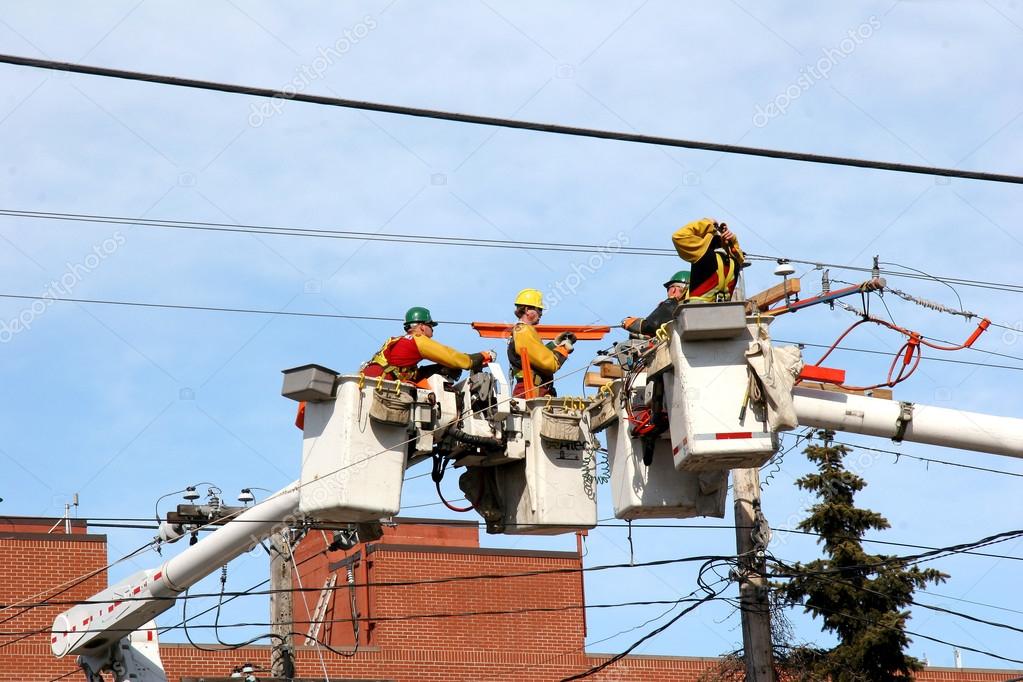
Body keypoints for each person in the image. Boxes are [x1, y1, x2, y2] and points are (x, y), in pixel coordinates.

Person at [362, 306, 493, 383]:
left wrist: (437, 369)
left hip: (370, 383)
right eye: (431, 325)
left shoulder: (400, 341)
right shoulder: (417, 340)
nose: (433, 330)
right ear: (422, 326)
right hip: (379, 387)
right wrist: (482, 356)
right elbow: (456, 359)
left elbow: (409, 374)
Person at [506, 288, 574, 398]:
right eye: (539, 309)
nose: (541, 313)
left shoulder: (524, 331)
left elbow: (536, 356)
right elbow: (550, 364)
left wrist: (555, 344)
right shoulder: (523, 331)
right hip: (531, 390)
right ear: (527, 310)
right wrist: (563, 349)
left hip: (535, 389)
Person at [671, 218, 745, 303]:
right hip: (724, 313)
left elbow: (678, 236)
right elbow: (738, 254)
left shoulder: (703, 254)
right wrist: (732, 241)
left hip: (697, 312)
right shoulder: (734, 261)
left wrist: (708, 223)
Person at [621, 270, 689, 337]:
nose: (668, 292)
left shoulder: (672, 304)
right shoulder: (692, 307)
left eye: (669, 288)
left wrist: (632, 323)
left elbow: (651, 325)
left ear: (675, 289)